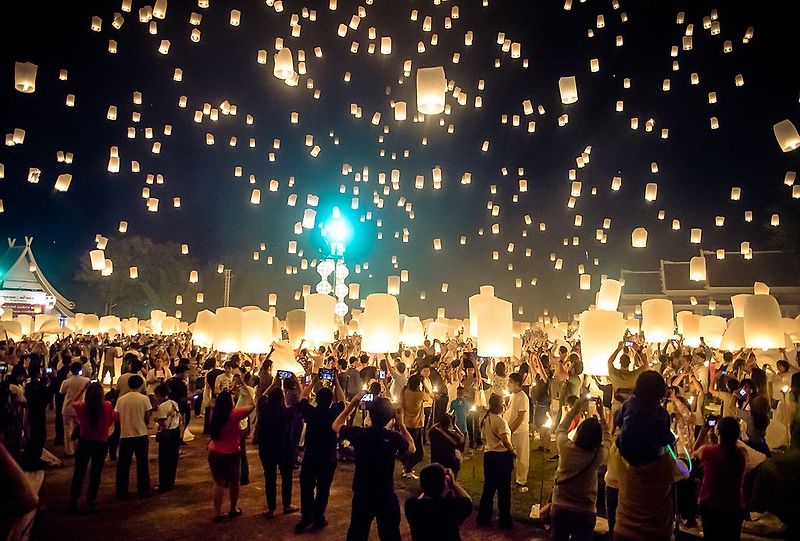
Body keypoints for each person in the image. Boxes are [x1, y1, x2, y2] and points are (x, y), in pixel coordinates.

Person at [333, 392, 414, 541]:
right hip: (384, 492)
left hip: (362, 491)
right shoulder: (392, 437)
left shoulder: (360, 434)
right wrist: (401, 424)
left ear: (370, 414)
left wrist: (353, 403)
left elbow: (336, 425)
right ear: (390, 417)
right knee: (390, 533)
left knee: (357, 532)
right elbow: (411, 448)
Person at [550, 397, 610, 541]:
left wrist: (575, 409)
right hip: (585, 510)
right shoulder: (597, 455)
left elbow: (561, 428)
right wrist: (602, 415)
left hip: (560, 505)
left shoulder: (565, 447)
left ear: (578, 433)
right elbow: (607, 438)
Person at [295, 374, 345, 532]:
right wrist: (336, 382)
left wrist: (314, 381)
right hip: (328, 457)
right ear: (331, 401)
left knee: (306, 487)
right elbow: (343, 401)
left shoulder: (311, 412)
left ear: (316, 399)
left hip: (311, 456)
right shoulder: (333, 413)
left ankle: (306, 516)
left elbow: (303, 396)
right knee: (323, 489)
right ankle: (318, 517)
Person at [694, 416, 747, 540]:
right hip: (734, 506)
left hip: (712, 506)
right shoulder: (742, 454)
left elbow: (694, 452)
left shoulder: (708, 452)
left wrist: (703, 431)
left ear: (718, 432)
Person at [207, 388, 255, 522]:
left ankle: (217, 512)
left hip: (214, 451)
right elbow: (252, 405)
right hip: (232, 453)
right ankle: (233, 509)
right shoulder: (234, 414)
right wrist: (246, 389)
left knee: (218, 483)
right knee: (234, 482)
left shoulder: (214, 414)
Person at [69, 381, 116, 511]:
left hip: (85, 442)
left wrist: (82, 390)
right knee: (95, 473)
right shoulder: (107, 405)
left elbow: (72, 402)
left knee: (79, 473)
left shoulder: (83, 407)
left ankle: (73, 502)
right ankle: (91, 501)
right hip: (101, 443)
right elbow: (111, 421)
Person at [256, 384, 298, 518]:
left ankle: (271, 509)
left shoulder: (263, 410)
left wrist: (273, 383)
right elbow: (302, 400)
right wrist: (296, 382)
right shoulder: (287, 413)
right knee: (286, 477)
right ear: (282, 398)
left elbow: (262, 397)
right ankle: (287, 505)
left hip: (267, 450)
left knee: (270, 478)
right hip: (284, 451)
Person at [404, 463, 473, 541]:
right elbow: (468, 501)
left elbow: (421, 495)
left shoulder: (411, 505)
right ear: (445, 485)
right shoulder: (452, 507)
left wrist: (429, 482)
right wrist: (453, 483)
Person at [476, 393, 515, 529]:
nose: (505, 406)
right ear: (499, 405)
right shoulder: (500, 421)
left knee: (489, 488)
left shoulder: (486, 419)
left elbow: (483, 438)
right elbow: (505, 440)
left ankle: (483, 517)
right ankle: (505, 520)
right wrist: (513, 451)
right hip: (501, 457)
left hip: (489, 456)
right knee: (504, 490)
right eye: (503, 403)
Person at [114, 375, 153, 497]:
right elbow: (147, 417)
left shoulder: (121, 400)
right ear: (141, 385)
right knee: (142, 463)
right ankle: (143, 489)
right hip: (140, 433)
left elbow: (117, 417)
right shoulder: (144, 399)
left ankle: (121, 490)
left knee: (123, 465)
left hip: (125, 434)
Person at [505, 373, 530, 491]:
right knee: (511, 455)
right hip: (511, 430)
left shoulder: (522, 397)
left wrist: (510, 429)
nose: (508, 384)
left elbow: (520, 417)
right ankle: (511, 478)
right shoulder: (513, 395)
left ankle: (521, 480)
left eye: (510, 382)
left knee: (521, 456)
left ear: (516, 384)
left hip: (520, 431)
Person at [59, 361, 90, 457]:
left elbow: (62, 392)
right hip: (80, 408)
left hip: (68, 407)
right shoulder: (86, 380)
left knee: (68, 430)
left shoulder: (66, 382)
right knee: (81, 430)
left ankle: (69, 451)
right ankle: (80, 448)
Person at [154, 383, 181, 491]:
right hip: (175, 432)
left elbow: (163, 423)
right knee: (173, 458)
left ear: (160, 394)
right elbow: (179, 418)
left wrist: (157, 422)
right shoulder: (174, 403)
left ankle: (163, 484)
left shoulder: (162, 406)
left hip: (167, 434)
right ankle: (171, 481)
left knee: (164, 459)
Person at [401, 374, 426, 479]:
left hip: (406, 423)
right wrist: (424, 383)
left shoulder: (405, 392)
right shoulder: (420, 395)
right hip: (416, 424)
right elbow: (430, 396)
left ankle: (406, 467)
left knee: (407, 446)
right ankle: (408, 469)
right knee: (418, 451)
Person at [429, 414, 465, 478]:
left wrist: (440, 422)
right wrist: (455, 425)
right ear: (449, 424)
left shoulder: (433, 432)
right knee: (457, 460)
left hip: (435, 461)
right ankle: (453, 480)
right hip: (449, 463)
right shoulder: (452, 435)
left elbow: (431, 428)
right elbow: (463, 439)